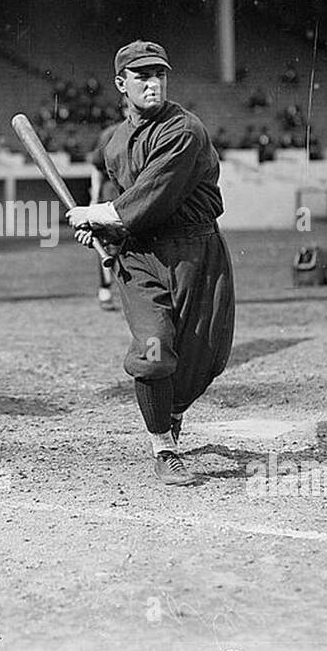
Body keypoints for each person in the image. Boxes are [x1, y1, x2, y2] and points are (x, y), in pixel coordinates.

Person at [66, 41, 235, 487]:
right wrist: (103, 230)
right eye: (142, 76)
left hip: (196, 253)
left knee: (205, 359)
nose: (153, 83)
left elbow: (150, 198)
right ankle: (163, 447)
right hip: (141, 258)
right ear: (122, 84)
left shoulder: (185, 130)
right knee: (155, 348)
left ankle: (171, 410)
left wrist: (101, 215)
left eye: (159, 74)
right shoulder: (115, 144)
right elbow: (129, 211)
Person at [88, 110, 125, 313]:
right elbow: (96, 167)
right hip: (110, 199)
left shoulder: (152, 131)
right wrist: (94, 199)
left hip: (135, 201)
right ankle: (105, 290)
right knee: (108, 249)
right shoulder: (111, 134)